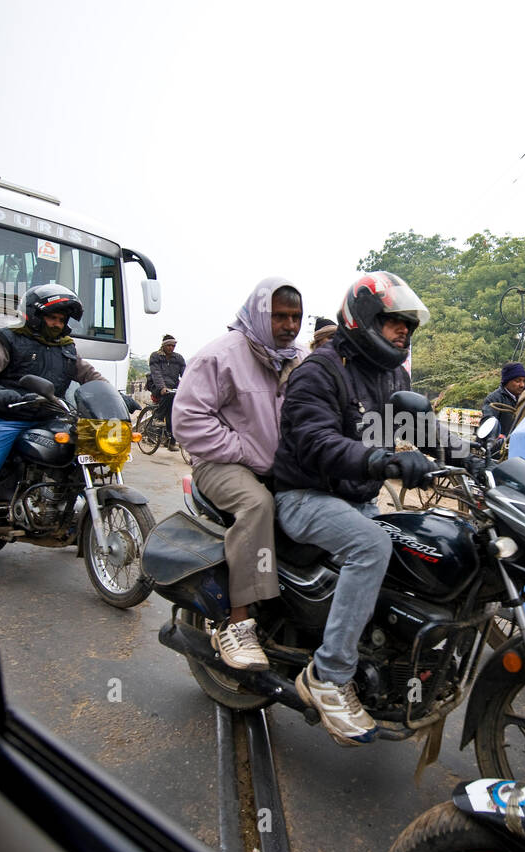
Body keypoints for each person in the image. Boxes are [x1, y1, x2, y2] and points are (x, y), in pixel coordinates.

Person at [273, 272, 444, 746]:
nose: (404, 331)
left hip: (357, 498)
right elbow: (315, 440)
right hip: (304, 495)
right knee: (372, 545)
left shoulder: (393, 375)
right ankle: (328, 676)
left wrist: (473, 454)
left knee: (422, 542)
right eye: (394, 321)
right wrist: (380, 460)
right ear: (363, 319)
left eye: (409, 324)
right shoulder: (319, 371)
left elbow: (422, 430)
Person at [171, 278, 305, 670]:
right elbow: (188, 421)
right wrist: (244, 449)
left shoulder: (300, 357)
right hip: (220, 464)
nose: (290, 325)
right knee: (257, 505)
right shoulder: (220, 356)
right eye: (280, 316)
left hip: (279, 464)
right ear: (260, 315)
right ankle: (238, 622)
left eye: (296, 317)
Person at [0, 283, 106, 547]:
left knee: (84, 461)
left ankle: (67, 518)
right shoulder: (7, 339)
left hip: (49, 418)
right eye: (52, 317)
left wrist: (112, 394)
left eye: (62, 319)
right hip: (5, 419)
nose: (58, 324)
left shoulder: (66, 348)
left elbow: (90, 376)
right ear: (34, 315)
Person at [147, 334, 187, 447]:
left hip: (172, 387)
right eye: (169, 345)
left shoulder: (178, 358)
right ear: (163, 345)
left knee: (174, 413)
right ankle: (158, 418)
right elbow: (156, 374)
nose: (171, 348)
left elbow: (186, 374)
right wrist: (162, 387)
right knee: (168, 396)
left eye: (173, 346)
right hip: (156, 385)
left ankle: (171, 441)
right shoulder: (155, 356)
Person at [481, 362, 525, 435]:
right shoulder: (494, 399)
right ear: (507, 381)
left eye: (523, 381)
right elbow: (488, 423)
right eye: (517, 381)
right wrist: (497, 436)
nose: (522, 385)